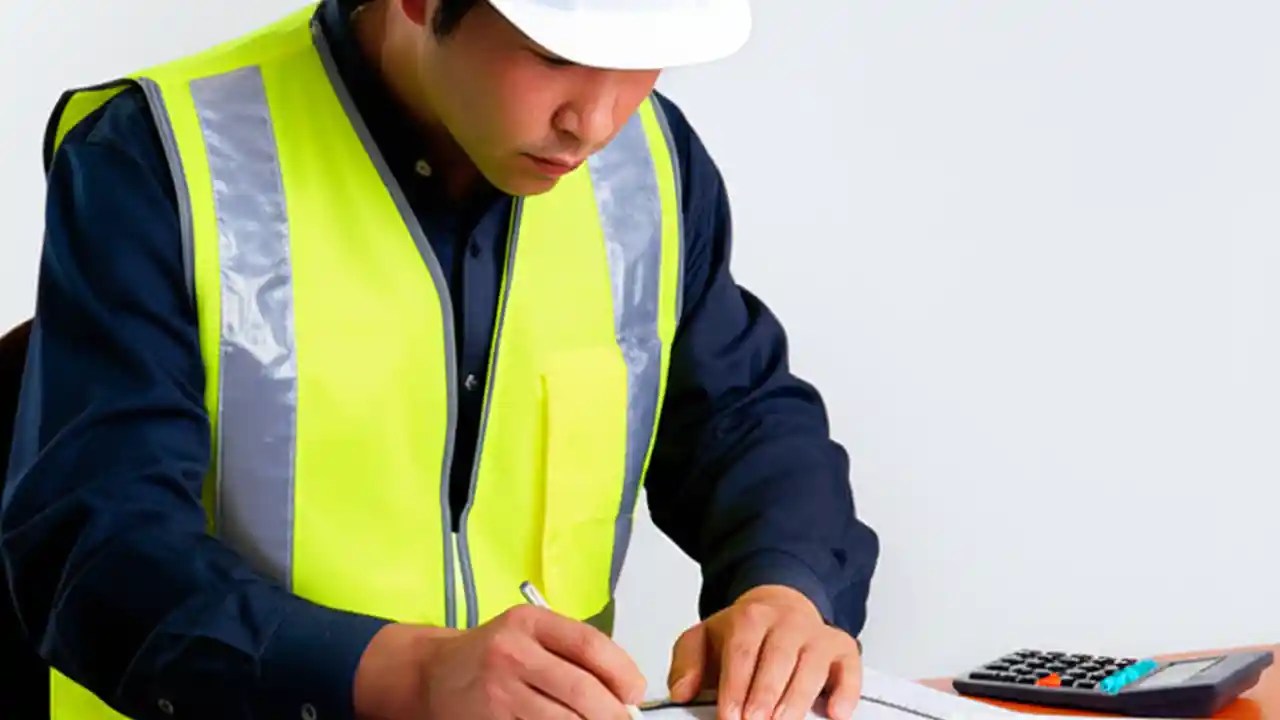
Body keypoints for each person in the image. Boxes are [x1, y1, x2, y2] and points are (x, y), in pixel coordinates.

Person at [1, 0, 881, 718]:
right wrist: (409, 676)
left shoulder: (649, 164)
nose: (599, 120)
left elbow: (744, 419)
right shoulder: (160, 158)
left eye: (641, 61)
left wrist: (787, 590)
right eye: (555, 55)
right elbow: (99, 550)